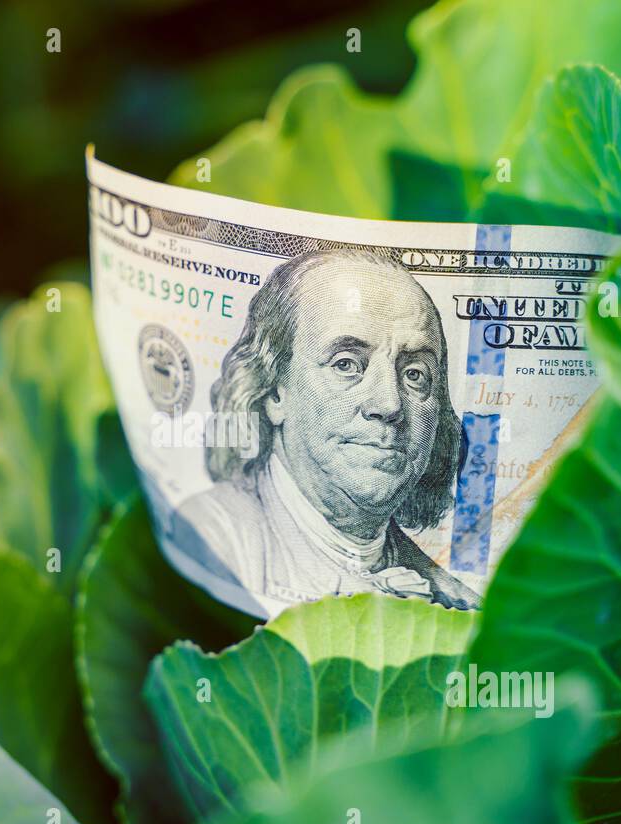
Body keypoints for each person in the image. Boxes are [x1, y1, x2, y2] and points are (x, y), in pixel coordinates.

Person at [170, 248, 480, 611]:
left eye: (415, 374)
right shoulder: (210, 536)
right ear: (273, 391)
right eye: (346, 364)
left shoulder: (459, 605)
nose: (388, 404)